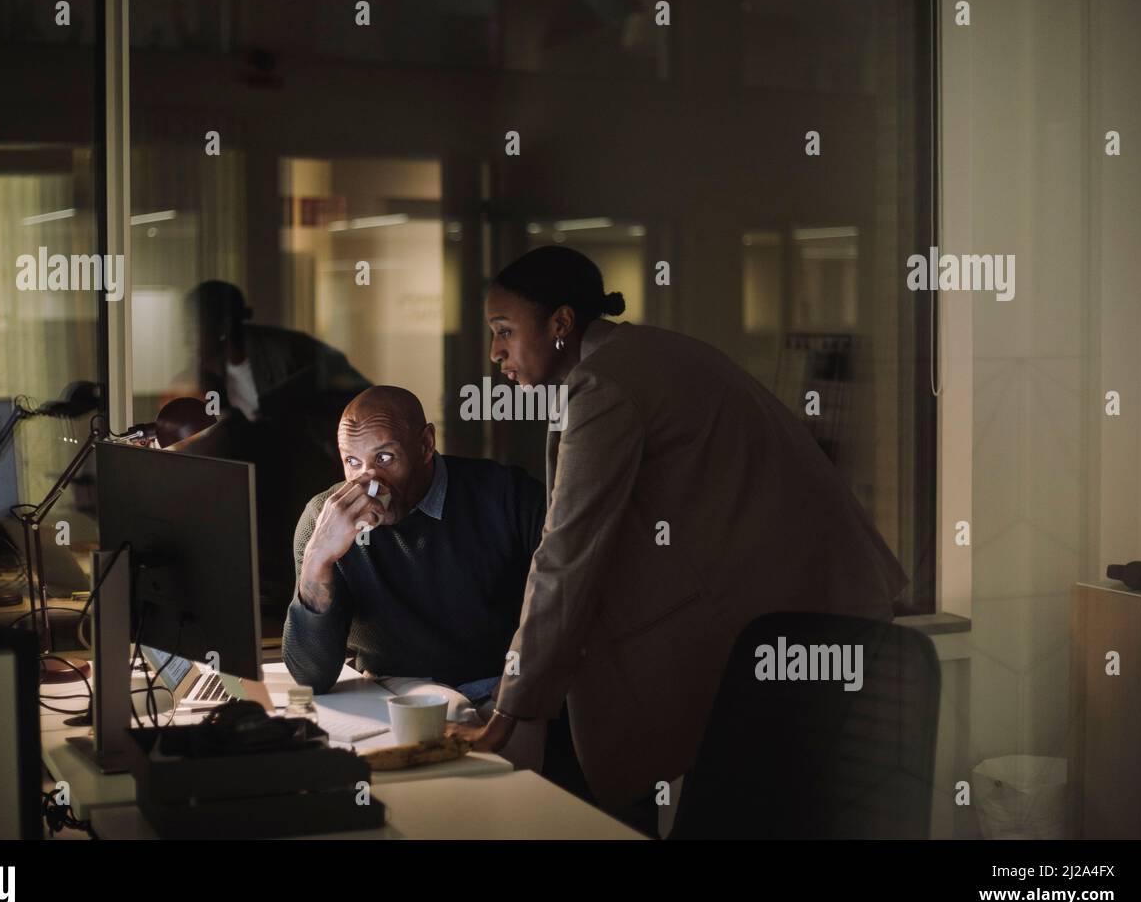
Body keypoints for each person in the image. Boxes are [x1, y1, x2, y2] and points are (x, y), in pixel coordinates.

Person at [451, 245, 908, 832]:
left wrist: (514, 707)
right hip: (815, 610)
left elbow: (567, 553)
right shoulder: (641, 353)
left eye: (504, 330)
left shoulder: (605, 387)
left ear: (561, 323)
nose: (495, 353)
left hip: (802, 626)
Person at [282, 386, 551, 762]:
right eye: (352, 462)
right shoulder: (323, 520)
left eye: (385, 457)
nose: (367, 482)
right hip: (392, 695)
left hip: (499, 690)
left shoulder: (506, 496)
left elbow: (563, 602)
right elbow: (310, 677)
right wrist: (317, 561)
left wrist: (513, 692)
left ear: (426, 445)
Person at [165, 280, 373, 619]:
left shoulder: (289, 351)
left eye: (192, 328)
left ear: (221, 327)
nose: (186, 339)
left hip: (306, 470)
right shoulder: (206, 371)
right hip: (264, 483)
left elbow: (355, 396)